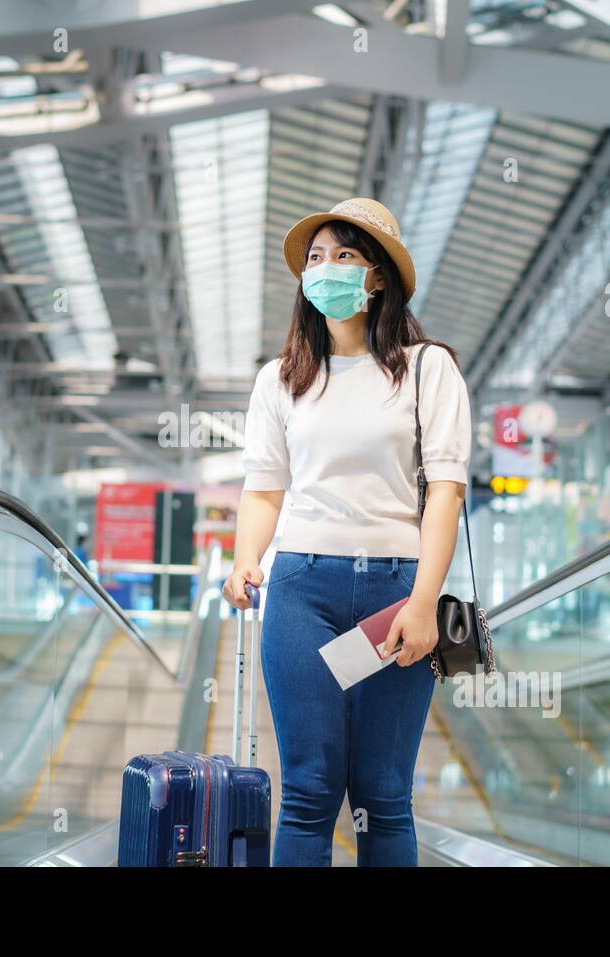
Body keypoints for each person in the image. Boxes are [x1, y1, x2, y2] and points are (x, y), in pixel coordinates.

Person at [221, 197, 472, 867]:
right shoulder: (279, 381)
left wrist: (425, 602)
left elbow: (445, 490)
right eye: (315, 258)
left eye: (345, 255)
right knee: (307, 791)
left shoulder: (428, 369)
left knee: (384, 793)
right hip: (301, 588)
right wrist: (246, 558)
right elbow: (264, 487)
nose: (324, 269)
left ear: (380, 277)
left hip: (395, 592)